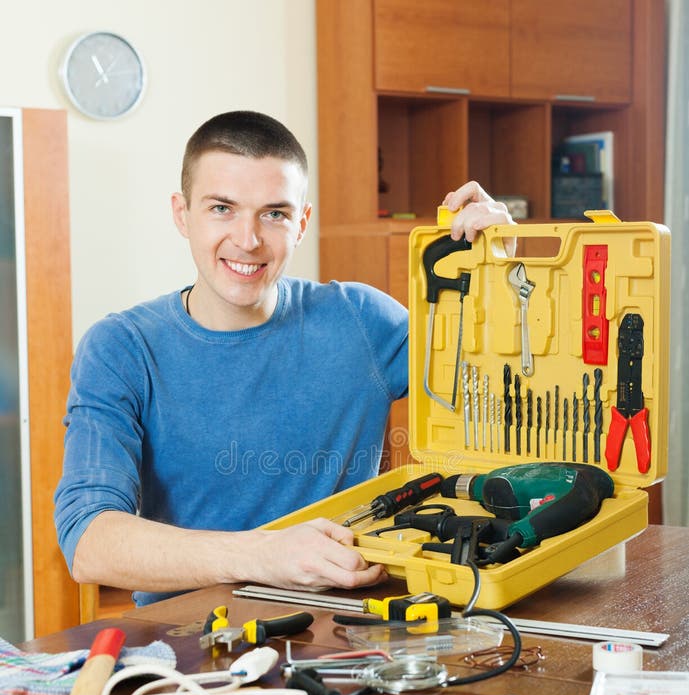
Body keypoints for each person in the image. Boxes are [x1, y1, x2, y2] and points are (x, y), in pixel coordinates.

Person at [54, 111, 513, 605]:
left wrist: (501, 270)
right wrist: (263, 555)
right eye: (222, 208)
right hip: (192, 632)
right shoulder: (121, 348)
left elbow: (508, 397)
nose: (248, 239)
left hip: (347, 620)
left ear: (301, 223)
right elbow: (88, 540)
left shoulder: (361, 320)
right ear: (182, 214)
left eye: (274, 214)